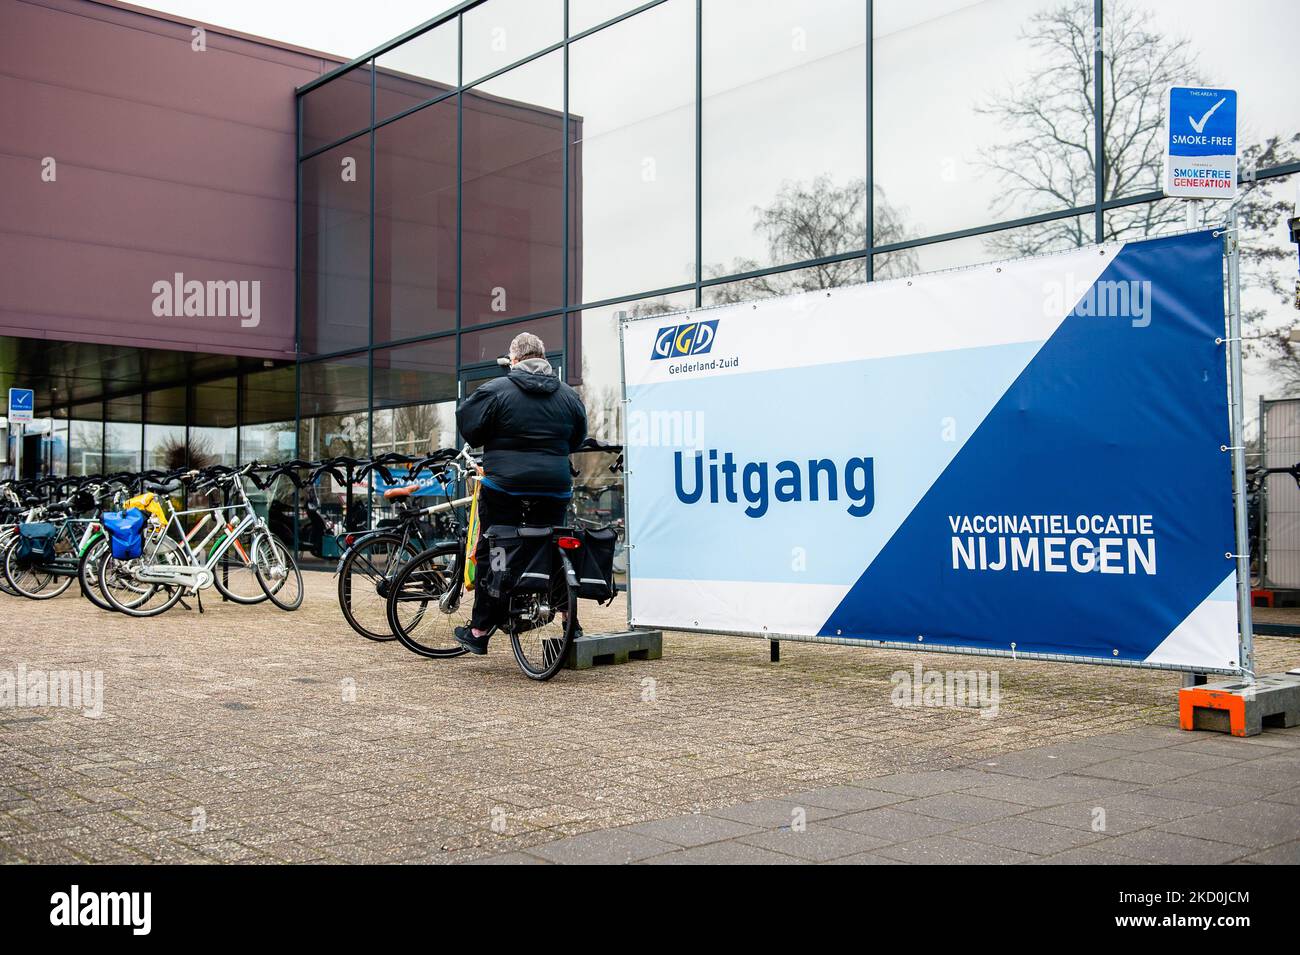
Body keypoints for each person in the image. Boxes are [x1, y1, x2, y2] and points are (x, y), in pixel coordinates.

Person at [453, 332, 587, 654]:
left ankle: (480, 628)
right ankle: (570, 620)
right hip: (554, 486)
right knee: (554, 544)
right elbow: (577, 438)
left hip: (505, 486)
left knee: (493, 546)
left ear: (514, 360)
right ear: (542, 356)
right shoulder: (568, 396)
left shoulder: (496, 391)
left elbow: (469, 426)